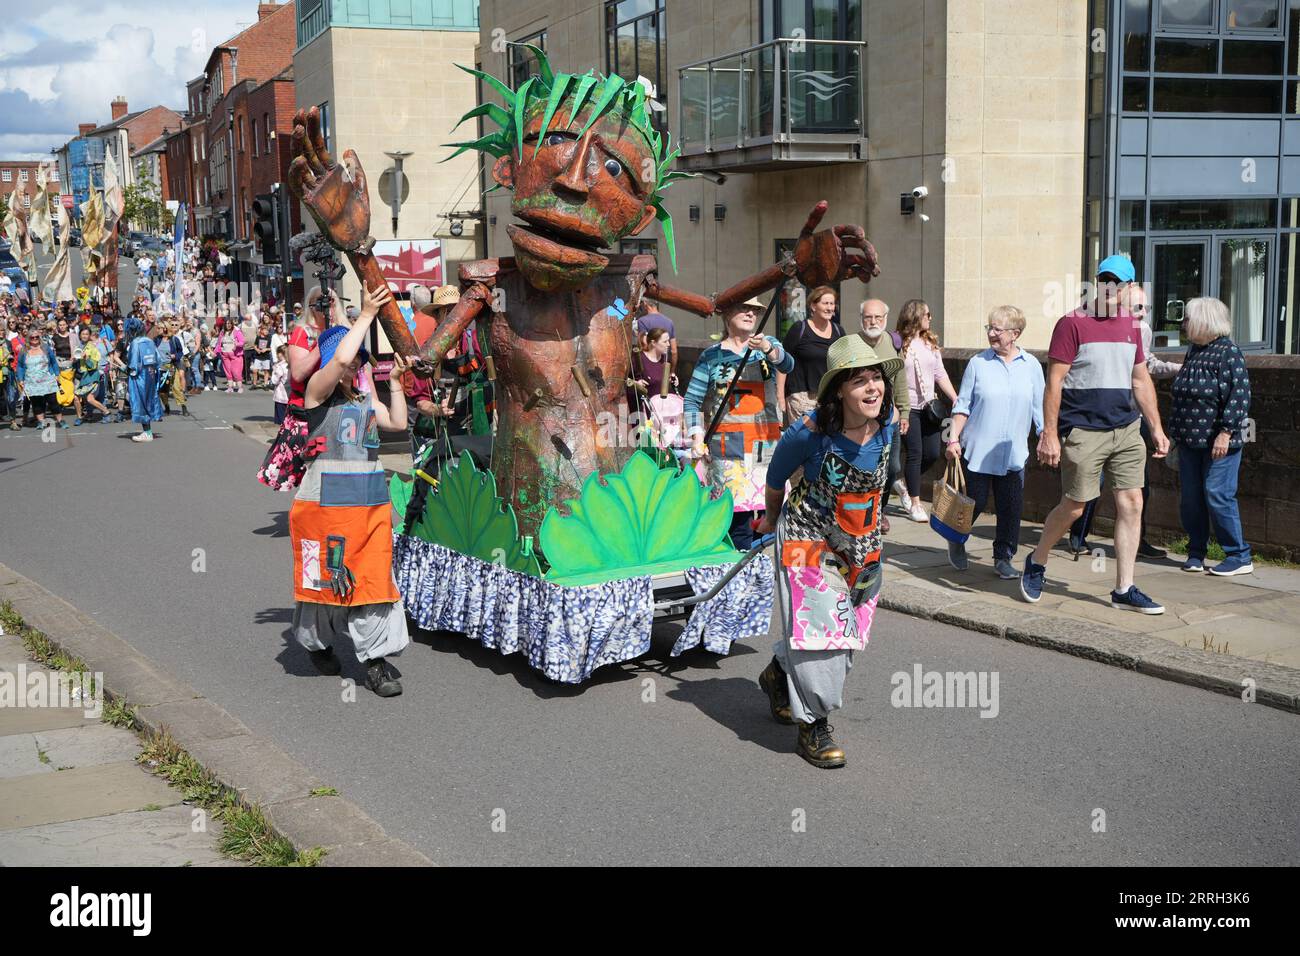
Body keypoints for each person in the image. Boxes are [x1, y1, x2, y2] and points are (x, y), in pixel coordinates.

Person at [754, 335, 901, 769]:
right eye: (860, 381)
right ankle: (813, 726)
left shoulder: (888, 420)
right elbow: (776, 479)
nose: (873, 388)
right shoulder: (808, 432)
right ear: (839, 389)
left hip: (863, 544)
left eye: (876, 377)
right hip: (807, 540)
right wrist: (769, 520)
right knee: (823, 633)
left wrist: (879, 511)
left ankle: (778, 674)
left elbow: (884, 473)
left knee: (848, 632)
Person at [1021, 254, 1171, 612]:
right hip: (1085, 431)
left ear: (1129, 288)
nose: (1110, 287)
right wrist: (1050, 435)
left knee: (1132, 503)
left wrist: (1157, 429)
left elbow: (1140, 379)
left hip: (1126, 429)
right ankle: (1037, 560)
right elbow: (1054, 382)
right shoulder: (1071, 323)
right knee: (1074, 507)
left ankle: (1124, 587)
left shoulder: (1131, 325)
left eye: (1118, 283)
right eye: (1104, 279)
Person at [289, 281, 411, 698]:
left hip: (370, 511)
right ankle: (317, 644)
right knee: (322, 585)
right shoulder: (315, 396)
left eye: (358, 358)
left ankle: (376, 663)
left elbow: (397, 423)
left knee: (376, 583)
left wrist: (393, 381)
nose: (353, 364)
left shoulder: (361, 398)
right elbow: (339, 358)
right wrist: (364, 316)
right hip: (322, 511)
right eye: (349, 358)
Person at [1069, 284, 1180, 558]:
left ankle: (1137, 543)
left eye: (1147, 308)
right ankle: (1078, 537)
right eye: (1137, 307)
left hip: (1133, 417)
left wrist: (1178, 368)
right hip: (1102, 418)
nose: (1143, 313)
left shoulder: (1143, 330)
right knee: (1092, 484)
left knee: (1138, 487)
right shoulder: (1105, 327)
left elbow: (1146, 367)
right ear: (1122, 307)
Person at [685, 296, 794, 550]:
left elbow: (788, 364)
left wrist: (767, 347)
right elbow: (692, 401)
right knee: (737, 519)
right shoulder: (711, 356)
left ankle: (760, 569)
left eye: (754, 310)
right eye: (743, 308)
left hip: (765, 444)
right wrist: (696, 436)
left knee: (773, 514)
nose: (750, 314)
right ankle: (738, 573)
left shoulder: (767, 346)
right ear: (726, 315)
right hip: (727, 447)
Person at [944, 306, 1045, 576]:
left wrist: (1046, 436)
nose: (991, 333)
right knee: (972, 502)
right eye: (989, 328)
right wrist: (953, 439)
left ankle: (1003, 558)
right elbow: (962, 406)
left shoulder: (1032, 366)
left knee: (1010, 508)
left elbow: (1040, 408)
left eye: (997, 329)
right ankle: (956, 537)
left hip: (1013, 452)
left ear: (1015, 333)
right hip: (978, 449)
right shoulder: (978, 363)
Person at [1170, 297, 1253, 576]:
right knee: (1191, 498)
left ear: (1205, 320)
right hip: (1189, 440)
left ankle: (1239, 555)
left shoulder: (1228, 352)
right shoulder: (1194, 350)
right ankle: (1196, 552)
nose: (1184, 324)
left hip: (1220, 441)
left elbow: (1239, 397)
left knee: (1218, 494)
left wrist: (1226, 432)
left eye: (1189, 318)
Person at [894, 299, 957, 523]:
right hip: (908, 406)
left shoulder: (930, 343)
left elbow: (940, 374)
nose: (930, 319)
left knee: (931, 453)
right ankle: (916, 502)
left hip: (930, 406)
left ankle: (903, 484)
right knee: (915, 453)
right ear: (915, 316)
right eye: (927, 315)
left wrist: (955, 398)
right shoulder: (899, 343)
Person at [859, 298, 909, 533]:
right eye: (868, 317)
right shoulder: (853, 344)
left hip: (889, 417)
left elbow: (900, 379)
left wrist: (905, 411)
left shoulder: (892, 342)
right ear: (861, 319)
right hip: (861, 419)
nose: (873, 321)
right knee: (866, 467)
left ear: (885, 319)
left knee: (892, 467)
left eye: (878, 317)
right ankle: (869, 513)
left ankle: (881, 508)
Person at [777, 285, 844, 426]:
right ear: (813, 306)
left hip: (829, 398)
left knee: (827, 442)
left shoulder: (839, 331)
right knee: (805, 441)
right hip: (801, 398)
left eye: (832, 304)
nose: (830, 307)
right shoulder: (799, 329)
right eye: (825, 303)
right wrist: (780, 397)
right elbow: (782, 363)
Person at [14, 326, 63, 431]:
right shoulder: (24, 350)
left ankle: (60, 420)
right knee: (36, 403)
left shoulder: (46, 348)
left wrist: (57, 374)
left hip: (47, 379)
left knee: (53, 401)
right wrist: (21, 379)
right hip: (31, 381)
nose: (35, 339)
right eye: (32, 337)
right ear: (28, 338)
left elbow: (53, 362)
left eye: (37, 337)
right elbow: (20, 366)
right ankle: (41, 422)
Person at [125, 317, 164, 442]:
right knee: (149, 400)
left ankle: (147, 432)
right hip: (151, 374)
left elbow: (133, 364)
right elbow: (158, 360)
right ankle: (148, 431)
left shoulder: (135, 343)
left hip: (139, 377)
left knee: (140, 401)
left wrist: (125, 368)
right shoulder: (149, 341)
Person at [71, 325, 109, 425]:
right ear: (79, 335)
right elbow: (75, 364)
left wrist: (86, 358)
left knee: (90, 399)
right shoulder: (77, 347)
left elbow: (93, 366)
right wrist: (74, 360)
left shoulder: (93, 348)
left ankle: (106, 411)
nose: (84, 336)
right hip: (80, 376)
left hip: (91, 376)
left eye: (87, 334)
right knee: (75, 398)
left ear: (89, 336)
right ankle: (79, 417)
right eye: (83, 334)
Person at [217, 319, 245, 392]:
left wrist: (237, 344)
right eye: (226, 323)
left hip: (235, 355)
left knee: (236, 372)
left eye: (229, 323)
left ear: (232, 324)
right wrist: (215, 352)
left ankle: (240, 387)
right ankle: (230, 387)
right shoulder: (222, 332)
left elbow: (242, 341)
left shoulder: (237, 331)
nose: (228, 325)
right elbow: (219, 344)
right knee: (228, 371)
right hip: (225, 354)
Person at [271, 345, 290, 425]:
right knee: (288, 416)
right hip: (289, 393)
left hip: (281, 394)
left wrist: (274, 370)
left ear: (280, 354)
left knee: (280, 418)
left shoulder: (279, 366)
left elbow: (274, 380)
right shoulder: (290, 364)